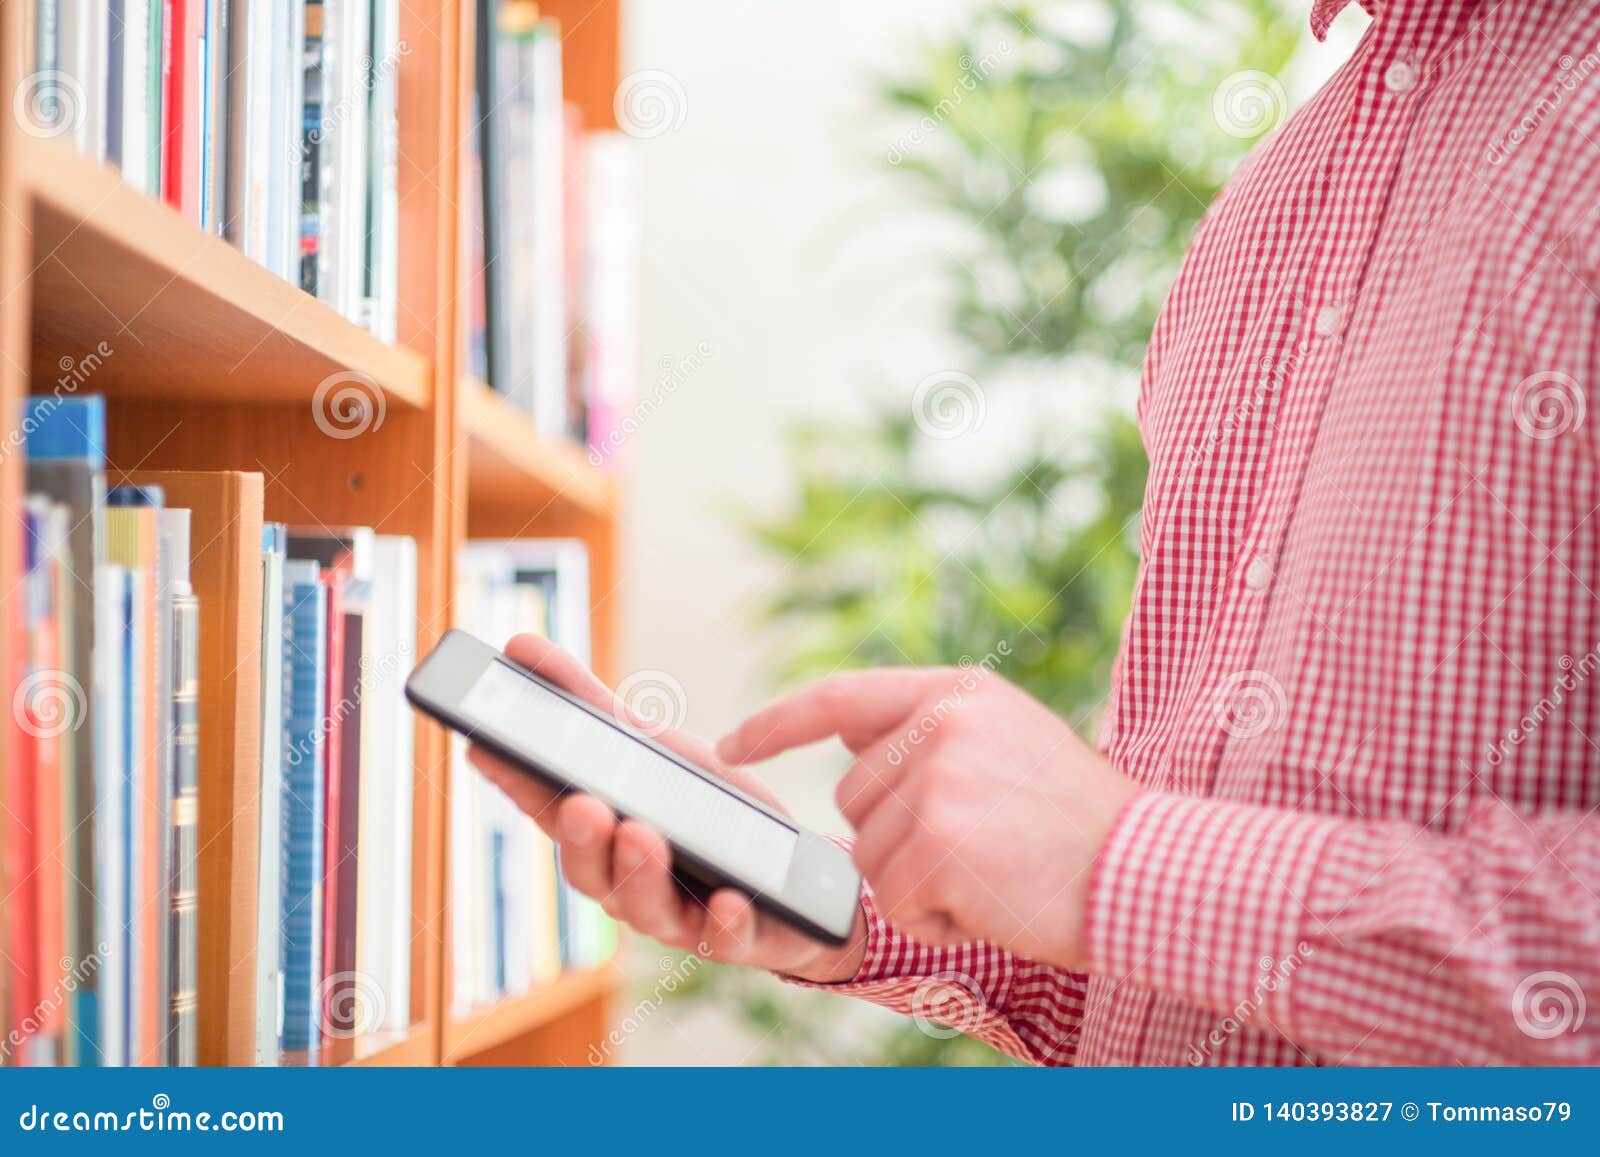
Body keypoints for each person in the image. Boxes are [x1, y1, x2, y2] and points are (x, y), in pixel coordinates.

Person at [472, 0, 1600, 1065]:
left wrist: (1125, 865)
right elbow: (1153, 976)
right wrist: (836, 908)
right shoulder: (1265, 214)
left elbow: (1146, 884)